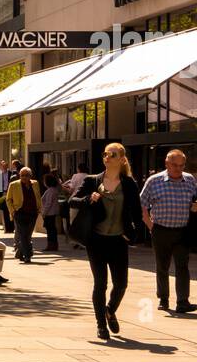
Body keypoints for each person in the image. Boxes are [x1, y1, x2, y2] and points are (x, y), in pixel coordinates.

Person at [70, 143, 143, 340]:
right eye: (105, 154)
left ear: (122, 159)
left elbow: (137, 213)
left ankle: (110, 310)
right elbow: (72, 201)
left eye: (112, 154)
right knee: (100, 283)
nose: (107, 157)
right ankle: (101, 325)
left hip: (118, 241)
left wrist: (133, 235)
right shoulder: (92, 180)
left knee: (121, 284)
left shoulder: (129, 184)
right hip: (96, 240)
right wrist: (88, 199)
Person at [139, 149, 197, 313]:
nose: (178, 168)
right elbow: (142, 204)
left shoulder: (190, 180)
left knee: (182, 266)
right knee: (162, 266)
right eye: (174, 165)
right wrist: (150, 225)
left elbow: (195, 199)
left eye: (181, 165)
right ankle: (163, 299)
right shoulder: (154, 181)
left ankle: (182, 302)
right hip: (161, 230)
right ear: (166, 163)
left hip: (183, 231)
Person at [6, 167, 42, 263]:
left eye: (26, 175)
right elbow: (8, 199)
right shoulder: (14, 185)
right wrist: (13, 211)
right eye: (22, 175)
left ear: (30, 176)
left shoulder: (35, 183)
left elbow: (38, 196)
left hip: (33, 213)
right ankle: (28, 255)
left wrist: (39, 208)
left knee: (28, 235)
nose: (24, 177)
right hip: (20, 213)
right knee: (23, 234)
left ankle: (20, 253)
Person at [42, 173, 62, 251]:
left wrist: (44, 213)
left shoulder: (50, 191)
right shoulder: (54, 190)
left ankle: (51, 245)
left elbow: (48, 203)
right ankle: (53, 245)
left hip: (49, 213)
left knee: (50, 230)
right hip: (52, 212)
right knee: (52, 229)